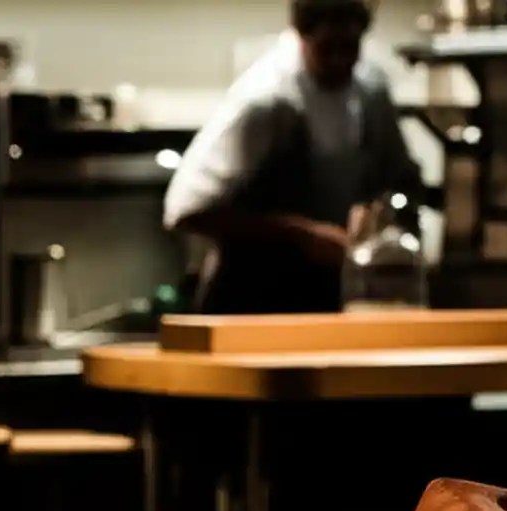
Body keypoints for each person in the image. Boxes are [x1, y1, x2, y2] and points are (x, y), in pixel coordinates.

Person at [163, 0, 422, 314]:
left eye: (350, 47)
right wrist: (304, 236)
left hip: (329, 301)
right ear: (303, 34)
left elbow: (399, 177)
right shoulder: (266, 100)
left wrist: (376, 212)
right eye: (329, 48)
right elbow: (184, 210)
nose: (340, 61)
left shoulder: (370, 87)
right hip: (250, 303)